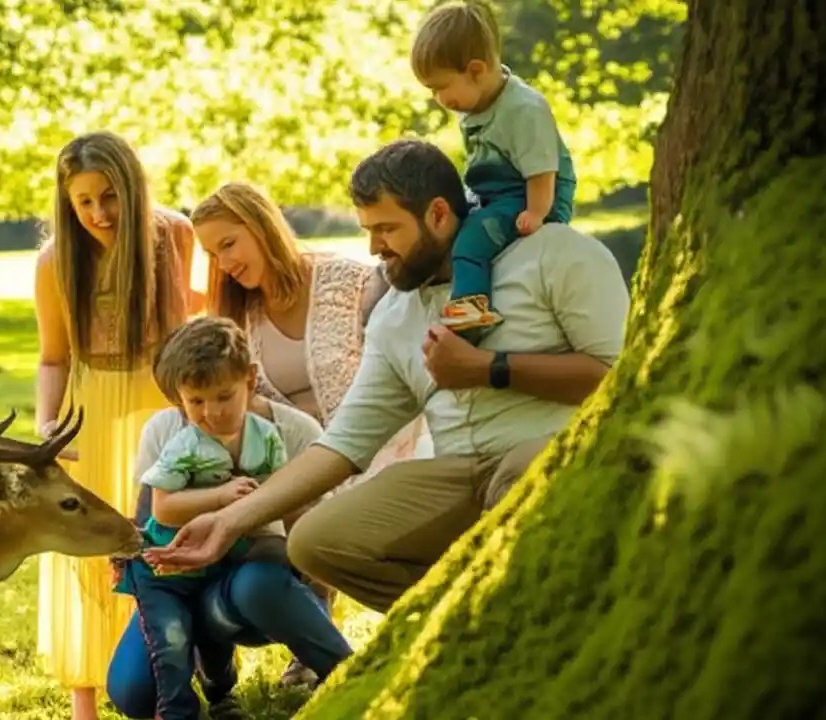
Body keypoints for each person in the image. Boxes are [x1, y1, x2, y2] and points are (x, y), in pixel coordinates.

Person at [145, 138, 629, 615]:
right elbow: (343, 444)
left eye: (387, 229)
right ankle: (469, 622)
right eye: (367, 229)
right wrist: (229, 520)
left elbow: (621, 377)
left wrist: (489, 369)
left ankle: (535, 614)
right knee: (315, 542)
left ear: (439, 214)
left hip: (550, 446)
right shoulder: (396, 316)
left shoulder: (552, 256)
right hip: (458, 470)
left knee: (524, 475)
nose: (374, 247)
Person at [190, 180, 425, 685]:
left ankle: (419, 633)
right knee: (287, 495)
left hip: (379, 443)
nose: (223, 262)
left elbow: (404, 356)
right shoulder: (239, 315)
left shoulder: (345, 281)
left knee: (327, 505)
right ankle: (313, 642)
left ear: (261, 226)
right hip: (301, 457)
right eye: (212, 253)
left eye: (228, 243)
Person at [34, 131, 198, 720]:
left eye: (109, 197)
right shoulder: (56, 261)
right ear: (67, 204)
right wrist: (46, 422)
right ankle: (84, 699)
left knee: (153, 535)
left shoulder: (172, 235)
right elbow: (54, 357)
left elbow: (183, 330)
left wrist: (189, 414)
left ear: (131, 189)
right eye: (84, 202)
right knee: (85, 543)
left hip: (159, 402)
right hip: (92, 412)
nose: (98, 214)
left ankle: (162, 674)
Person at [106, 332, 352, 719]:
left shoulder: (292, 432)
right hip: (182, 581)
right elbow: (153, 515)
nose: (212, 412)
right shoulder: (168, 430)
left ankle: (347, 673)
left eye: (224, 396)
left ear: (249, 380)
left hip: (254, 588)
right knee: (134, 693)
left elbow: (313, 534)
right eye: (194, 401)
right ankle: (212, 688)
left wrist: (315, 610)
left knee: (258, 583)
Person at [412, 0, 577, 338]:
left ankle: (471, 313)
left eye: (440, 87)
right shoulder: (476, 103)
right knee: (450, 223)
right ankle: (435, 298)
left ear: (476, 70)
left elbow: (542, 171)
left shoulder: (524, 110)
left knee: (473, 240)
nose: (438, 99)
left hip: (532, 197)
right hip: (496, 193)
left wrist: (536, 213)